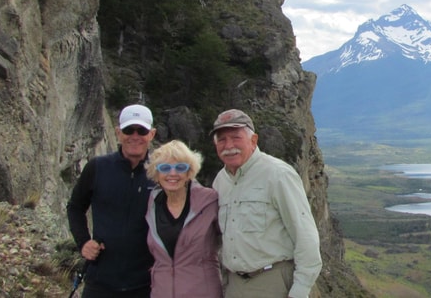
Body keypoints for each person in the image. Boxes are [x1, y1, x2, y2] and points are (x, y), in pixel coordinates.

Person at [210, 109, 322, 298]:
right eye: (222, 140)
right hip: (233, 285)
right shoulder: (220, 181)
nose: (229, 145)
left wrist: (300, 290)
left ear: (253, 140)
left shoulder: (278, 174)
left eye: (236, 138)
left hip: (272, 283)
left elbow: (305, 234)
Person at [67, 104, 158, 298]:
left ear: (152, 134)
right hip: (100, 280)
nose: (135, 136)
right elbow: (75, 207)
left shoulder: (161, 174)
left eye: (142, 131)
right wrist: (83, 242)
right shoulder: (97, 167)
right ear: (118, 133)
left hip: (146, 283)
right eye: (128, 130)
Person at [144, 140, 222, 297]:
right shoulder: (152, 203)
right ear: (156, 173)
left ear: (189, 173)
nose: (173, 173)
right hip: (162, 292)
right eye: (165, 168)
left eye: (180, 167)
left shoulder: (209, 201)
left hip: (202, 292)